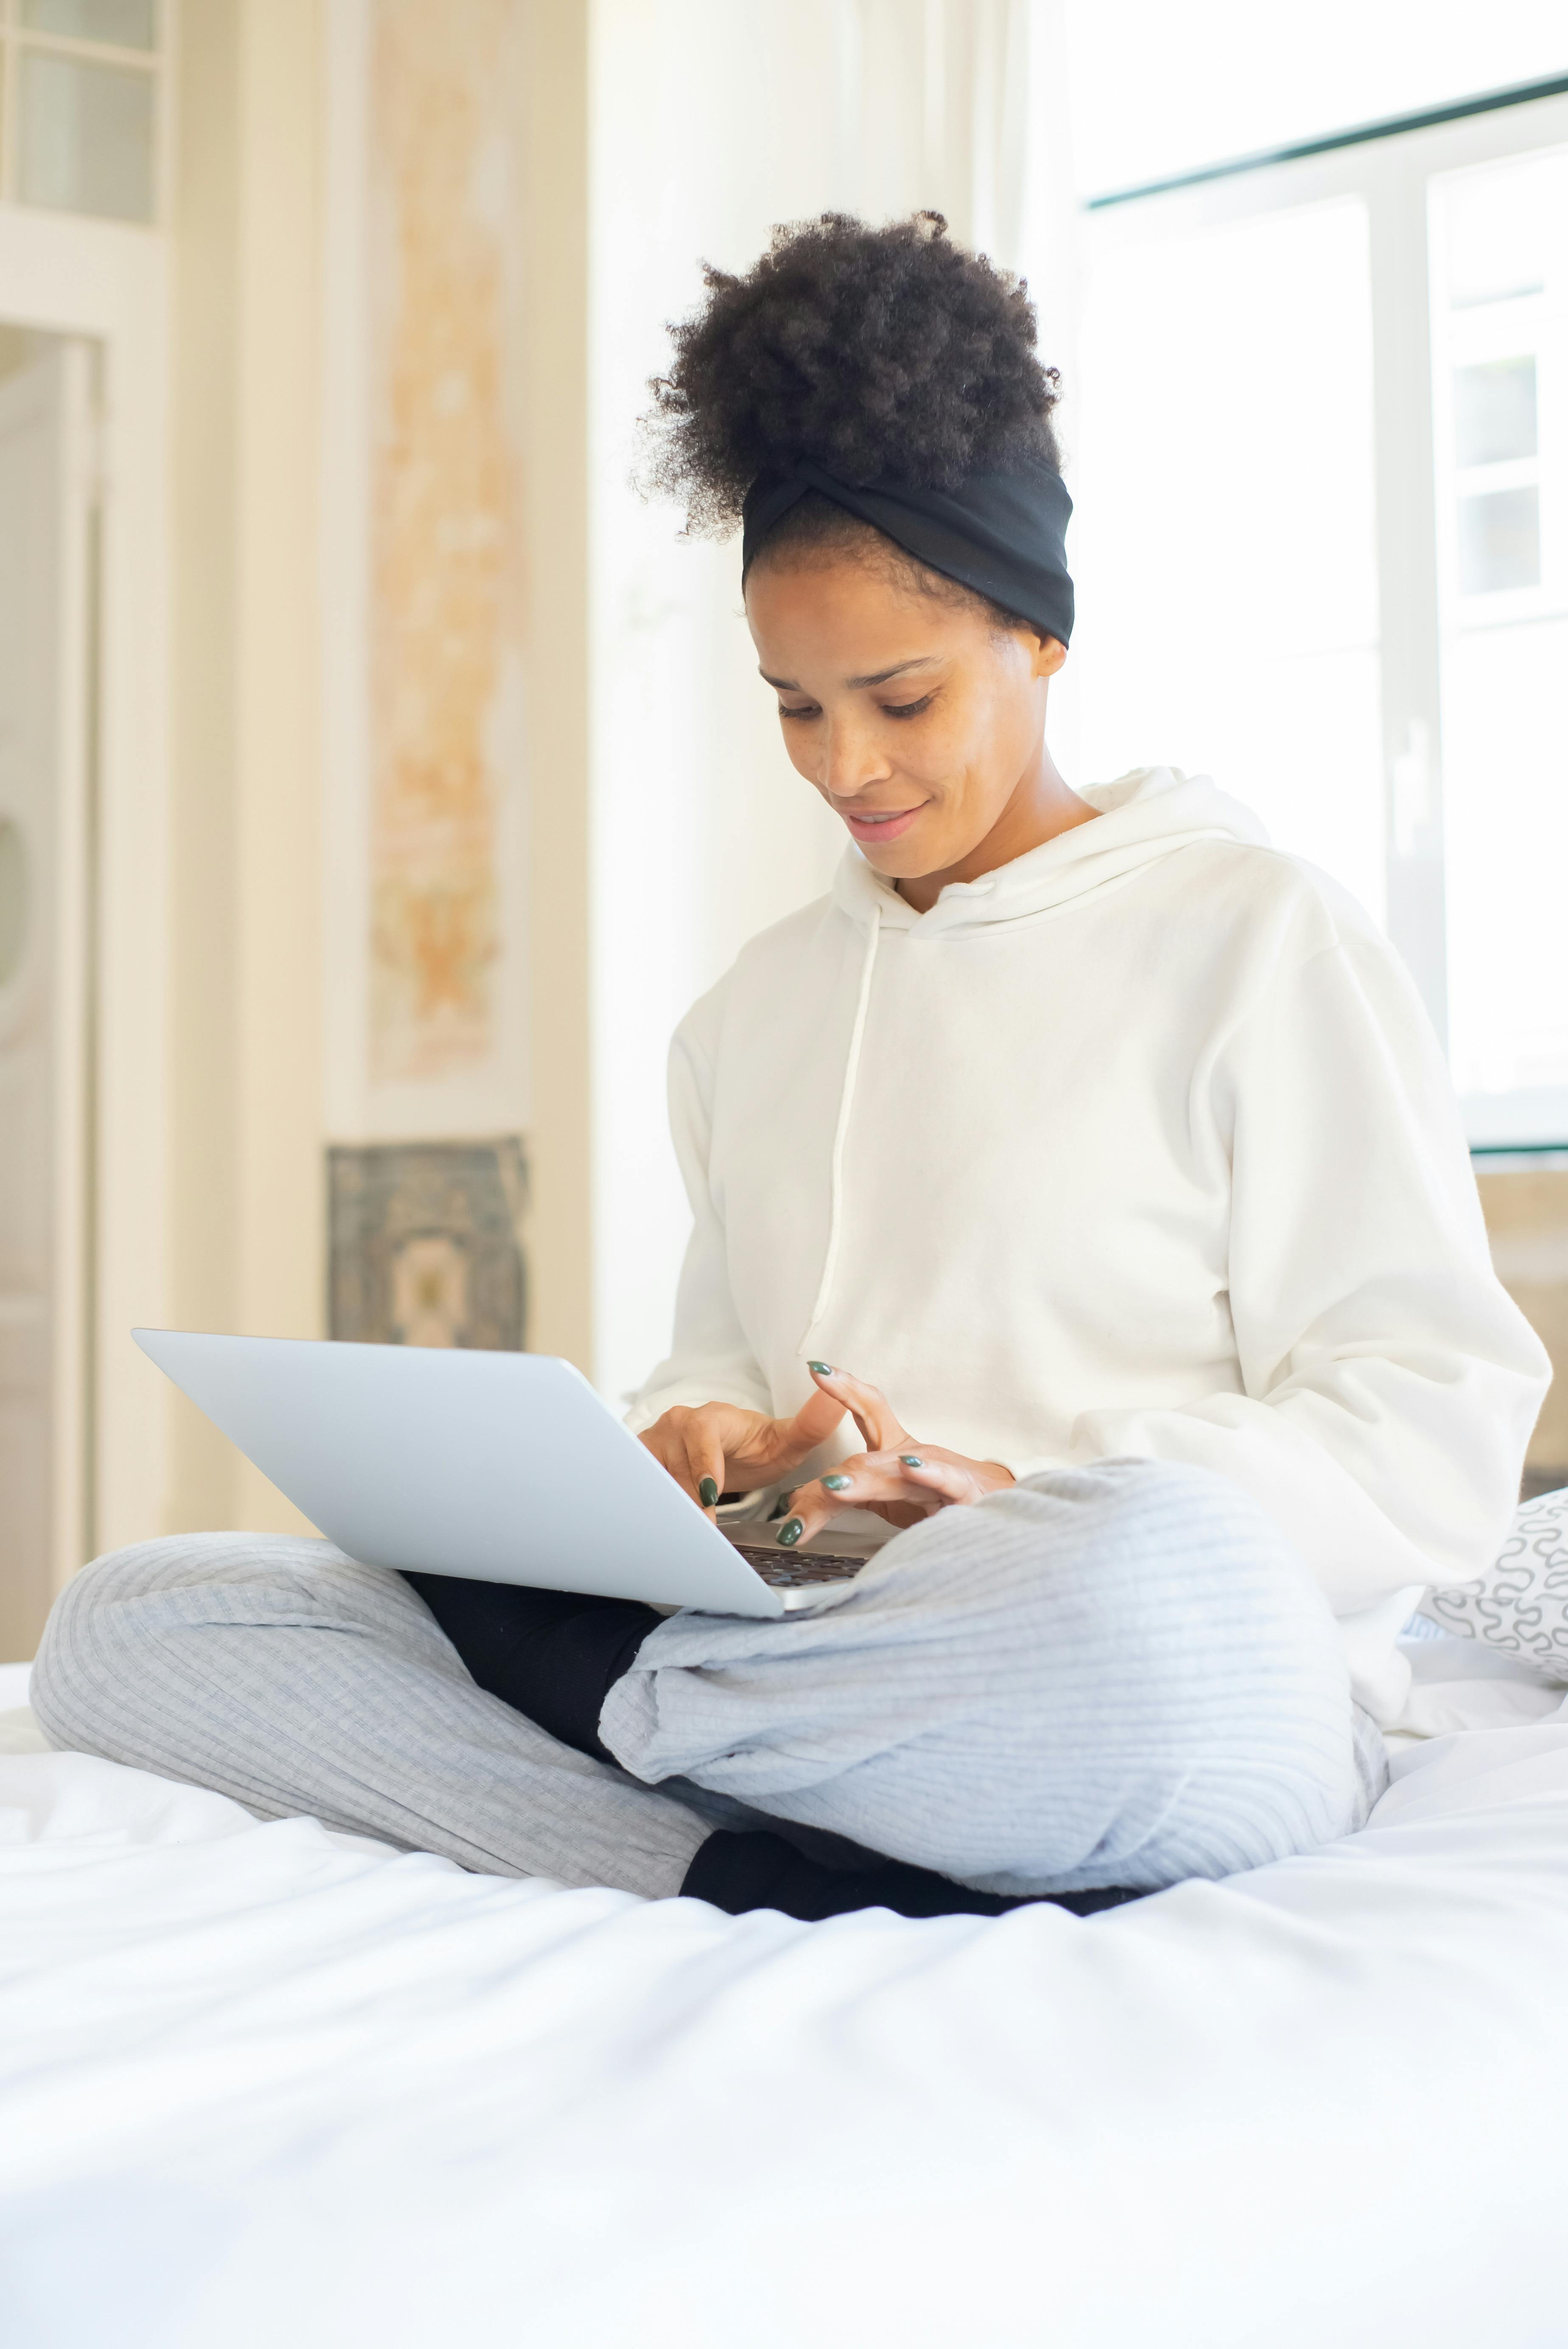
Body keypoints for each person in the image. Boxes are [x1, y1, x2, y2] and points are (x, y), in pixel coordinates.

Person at [33, 213, 1549, 1922]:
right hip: (817, 1637)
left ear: (1039, 634)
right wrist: (696, 1444)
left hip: (1110, 1657)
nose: (849, 764)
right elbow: (720, 1369)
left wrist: (1016, 1497)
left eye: (899, 697)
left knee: (1161, 1595)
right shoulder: (753, 1012)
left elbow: (1432, 1430)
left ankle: (604, 1736)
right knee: (135, 1619)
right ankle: (721, 1842)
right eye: (794, 705)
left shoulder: (1263, 942)